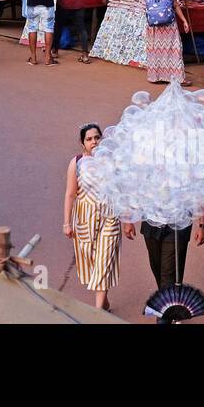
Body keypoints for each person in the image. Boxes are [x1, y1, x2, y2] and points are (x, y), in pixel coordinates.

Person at [63, 123, 125, 311]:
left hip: (109, 217)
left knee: (104, 261)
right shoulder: (77, 162)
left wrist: (128, 219)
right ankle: (104, 303)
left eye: (97, 137)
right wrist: (66, 222)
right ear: (82, 143)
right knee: (91, 264)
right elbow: (70, 194)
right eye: (89, 139)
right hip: (84, 218)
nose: (94, 141)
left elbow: (121, 190)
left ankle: (97, 314)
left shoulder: (112, 161)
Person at [144, 0, 190, 84]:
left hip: (154, 26)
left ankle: (156, 76)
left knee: (157, 50)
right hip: (168, 25)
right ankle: (179, 78)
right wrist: (184, 20)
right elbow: (175, 6)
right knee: (174, 49)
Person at [137, 214, 204, 290]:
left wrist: (203, 225)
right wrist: (127, 219)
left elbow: (201, 201)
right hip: (151, 221)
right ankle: (166, 296)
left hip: (178, 223)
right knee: (157, 267)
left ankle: (168, 298)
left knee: (169, 276)